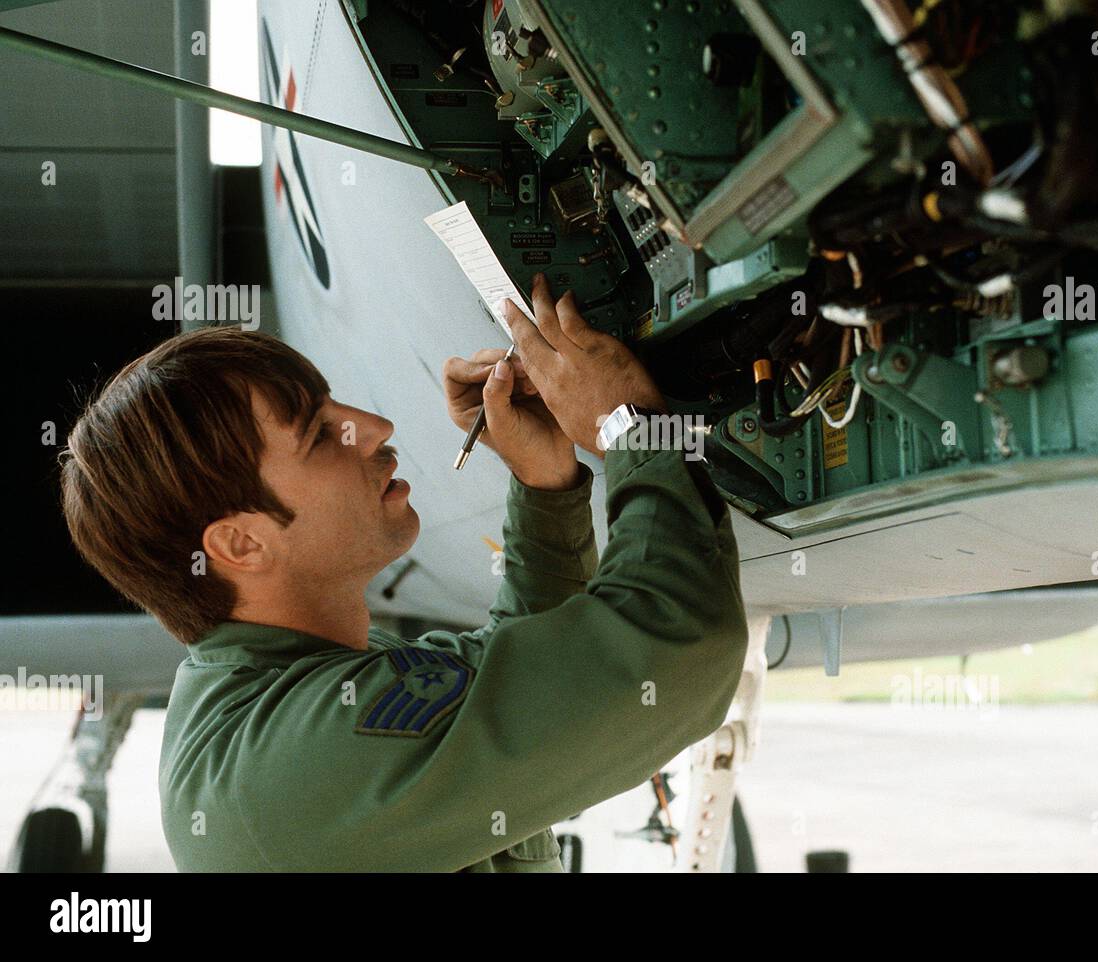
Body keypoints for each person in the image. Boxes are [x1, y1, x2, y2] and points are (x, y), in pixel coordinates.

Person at [59, 274, 748, 871]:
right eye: (321, 435)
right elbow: (677, 651)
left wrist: (543, 482)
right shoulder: (294, 767)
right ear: (241, 542)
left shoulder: (308, 691)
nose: (376, 426)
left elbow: (527, 686)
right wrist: (630, 426)